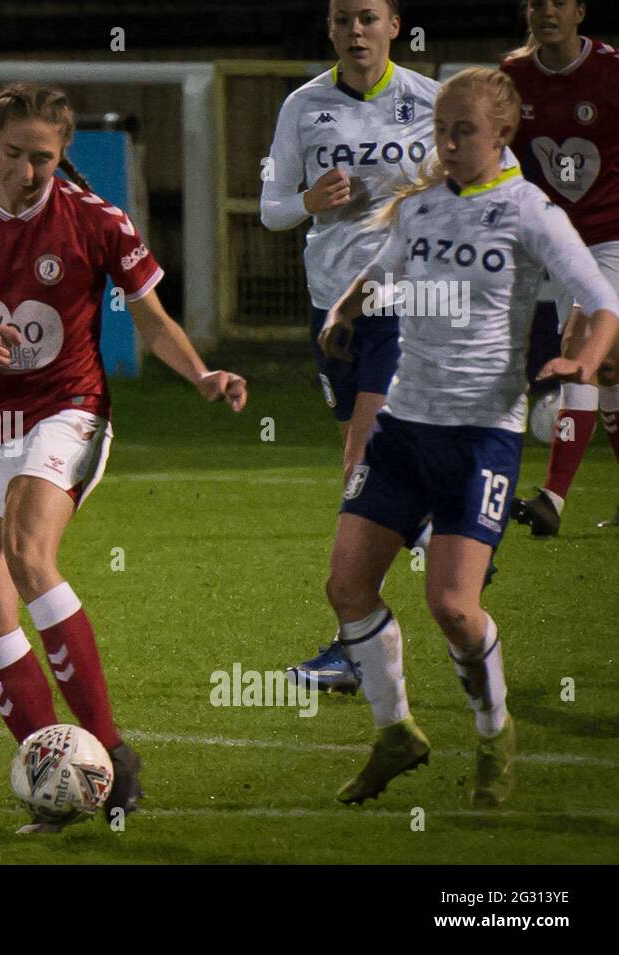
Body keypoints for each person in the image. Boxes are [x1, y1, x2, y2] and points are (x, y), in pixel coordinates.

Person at [0, 83, 247, 832]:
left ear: (64, 153)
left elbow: (154, 320)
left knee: (30, 549)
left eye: (44, 157)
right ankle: (54, 764)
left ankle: (115, 750)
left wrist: (201, 375)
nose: (29, 172)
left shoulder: (96, 219)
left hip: (73, 407)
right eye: (13, 155)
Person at [317, 67, 618, 807]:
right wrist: (344, 311)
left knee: (453, 605)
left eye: (465, 131)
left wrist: (583, 357)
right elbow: (381, 269)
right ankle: (396, 732)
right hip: (402, 425)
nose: (448, 144)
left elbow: (601, 295)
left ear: (503, 134)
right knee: (347, 586)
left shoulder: (529, 212)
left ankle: (493, 730)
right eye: (441, 129)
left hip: (482, 433)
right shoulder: (419, 211)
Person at [262, 0, 442, 693]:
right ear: (331, 30)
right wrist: (310, 200)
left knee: (362, 457)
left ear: (395, 25)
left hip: (403, 302)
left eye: (368, 17)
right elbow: (272, 206)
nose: (355, 31)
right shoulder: (303, 106)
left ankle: (432, 532)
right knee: (359, 468)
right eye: (343, 19)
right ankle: (367, 629)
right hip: (330, 310)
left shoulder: (428, 100)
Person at [500, 0, 619, 536]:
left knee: (577, 350)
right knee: (609, 368)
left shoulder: (612, 72)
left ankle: (552, 497)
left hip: (615, 238)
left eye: (559, 1)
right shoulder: (512, 77)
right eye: (537, 1)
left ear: (579, 12)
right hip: (561, 245)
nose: (547, 10)